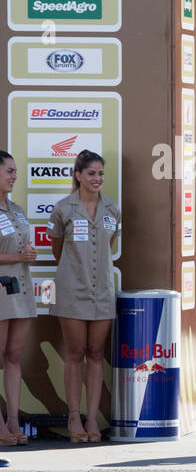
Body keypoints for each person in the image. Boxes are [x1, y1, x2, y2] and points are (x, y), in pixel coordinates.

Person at [48, 150, 121, 443]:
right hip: (71, 291)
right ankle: (74, 418)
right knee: (74, 354)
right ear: (78, 175)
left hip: (102, 290)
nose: (97, 179)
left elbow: (109, 245)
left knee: (96, 353)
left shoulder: (112, 210)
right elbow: (57, 250)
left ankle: (93, 419)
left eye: (101, 173)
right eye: (91, 173)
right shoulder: (63, 209)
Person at [0, 150, 37, 446]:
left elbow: (25, 247)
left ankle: (13, 420)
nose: (15, 176)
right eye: (9, 171)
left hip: (21, 289)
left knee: (13, 355)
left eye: (16, 171)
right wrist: (18, 255)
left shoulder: (18, 209)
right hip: (0, 289)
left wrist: (30, 254)